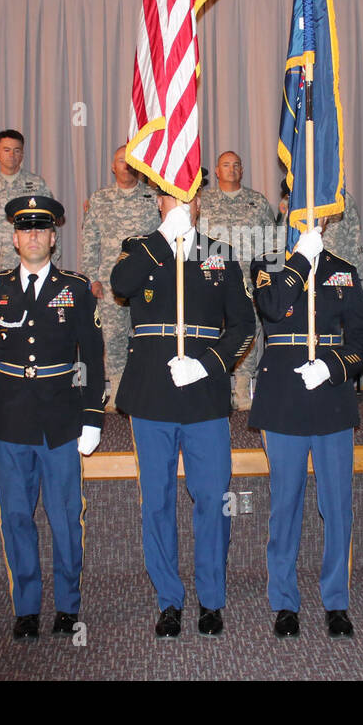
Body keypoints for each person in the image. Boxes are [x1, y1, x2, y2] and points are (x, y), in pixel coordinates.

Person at [110, 187, 256, 639]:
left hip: (203, 393)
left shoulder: (220, 255)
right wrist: (161, 239)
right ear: (159, 203)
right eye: (170, 197)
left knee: (212, 499)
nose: (180, 205)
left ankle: (211, 600)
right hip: (152, 393)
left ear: (198, 204)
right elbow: (119, 286)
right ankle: (169, 600)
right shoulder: (140, 250)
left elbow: (244, 324)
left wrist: (209, 363)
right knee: (157, 502)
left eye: (188, 197)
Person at [0, 195, 105, 641]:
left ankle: (66, 605)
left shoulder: (76, 288)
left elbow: (94, 357)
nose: (34, 236)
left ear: (54, 237)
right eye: (26, 229)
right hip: (9, 419)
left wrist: (93, 417)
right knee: (16, 516)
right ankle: (26, 607)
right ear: (16, 238)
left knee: (64, 516)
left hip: (61, 421)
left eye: (42, 229)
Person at [249, 225, 363, 639]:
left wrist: (334, 367)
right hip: (283, 398)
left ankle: (336, 600)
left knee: (337, 506)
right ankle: (284, 601)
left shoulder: (343, 270)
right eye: (297, 208)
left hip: (331, 396)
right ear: (287, 210)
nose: (305, 216)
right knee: (285, 505)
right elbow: (272, 306)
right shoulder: (269, 264)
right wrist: (301, 258)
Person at [79, 146, 160, 405]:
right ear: (113, 167)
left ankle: (145, 389)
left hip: (147, 283)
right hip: (110, 284)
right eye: (120, 161)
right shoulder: (100, 199)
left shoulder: (152, 197)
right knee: (113, 338)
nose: (125, 165)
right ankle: (117, 390)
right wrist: (92, 278)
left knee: (147, 337)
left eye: (130, 161)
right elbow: (90, 241)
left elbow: (164, 241)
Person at [198, 151, 277, 410]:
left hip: (248, 283)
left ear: (242, 170)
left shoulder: (257, 202)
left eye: (236, 165)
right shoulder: (202, 202)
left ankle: (243, 389)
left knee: (247, 334)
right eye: (225, 165)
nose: (231, 169)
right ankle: (212, 387)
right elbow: (192, 244)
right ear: (217, 172)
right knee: (211, 335)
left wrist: (271, 280)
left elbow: (271, 244)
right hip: (210, 283)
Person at [0, 129, 54, 281]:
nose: (11, 155)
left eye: (17, 151)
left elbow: (51, 227)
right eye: (6, 150)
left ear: (22, 154)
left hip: (32, 266)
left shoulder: (37, 185)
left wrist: (48, 264)